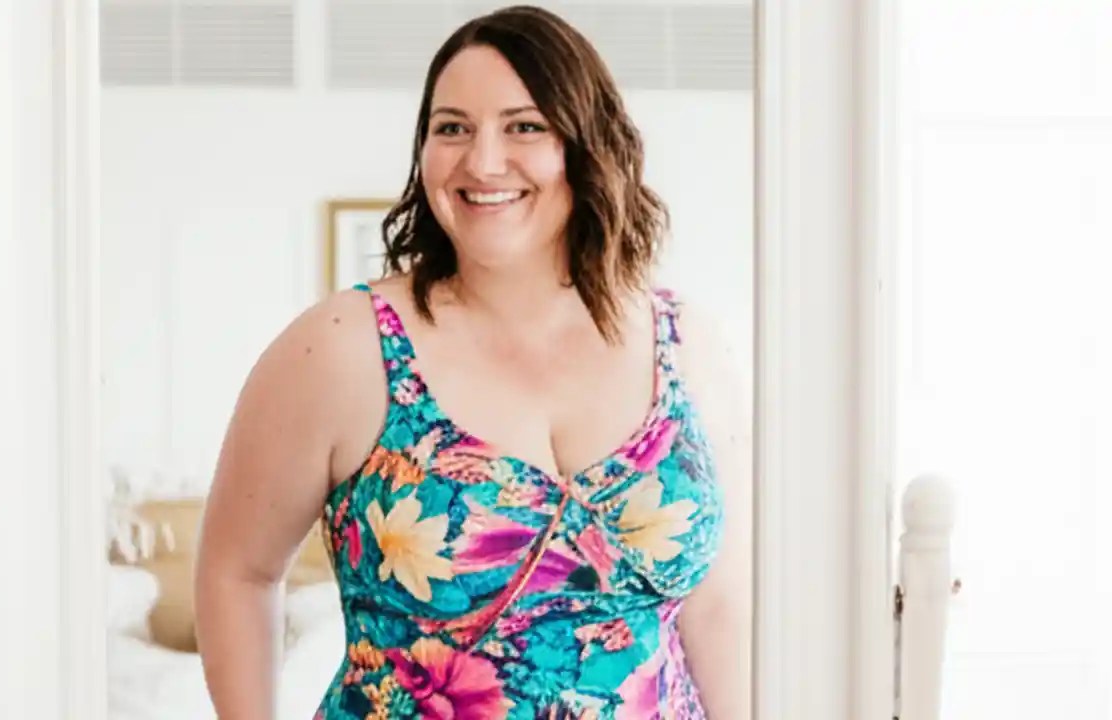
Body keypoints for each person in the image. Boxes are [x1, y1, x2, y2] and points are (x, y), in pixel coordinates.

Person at [194, 5, 751, 719]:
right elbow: (237, 571)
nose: (482, 162)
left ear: (587, 145)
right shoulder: (341, 347)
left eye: (524, 126)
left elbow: (721, 612)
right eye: (451, 128)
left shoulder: (690, 346)